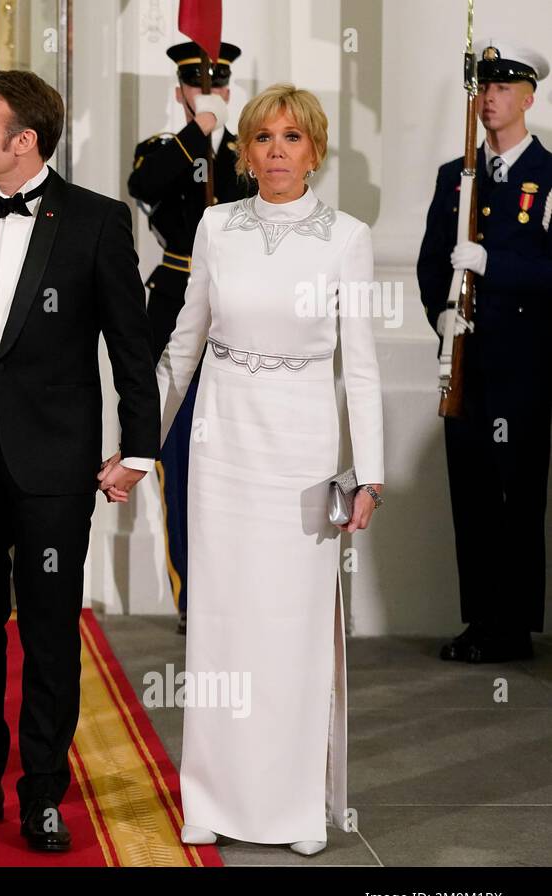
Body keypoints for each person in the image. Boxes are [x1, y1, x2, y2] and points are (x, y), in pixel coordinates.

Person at [0, 70, 160, 852]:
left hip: (57, 468)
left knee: (49, 632)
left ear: (25, 140)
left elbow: (130, 347)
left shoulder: (97, 221)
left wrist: (141, 449)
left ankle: (43, 793)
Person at [139, 84, 385, 855]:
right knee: (219, 626)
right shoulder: (216, 226)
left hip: (303, 452)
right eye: (263, 139)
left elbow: (364, 368)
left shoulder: (349, 236)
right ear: (244, 152)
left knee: (293, 629)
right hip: (223, 445)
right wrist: (140, 441)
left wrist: (368, 473)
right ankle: (210, 798)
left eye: (292, 138)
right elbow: (184, 344)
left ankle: (291, 811)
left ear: (315, 149)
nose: (277, 153)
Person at [417, 41, 552, 665]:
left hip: (522, 364)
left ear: (528, 97)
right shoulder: (456, 175)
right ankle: (480, 619)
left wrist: (495, 263)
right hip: (464, 361)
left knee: (516, 495)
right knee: (469, 491)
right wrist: (440, 313)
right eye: (485, 88)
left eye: (504, 88)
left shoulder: (547, 177)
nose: (490, 97)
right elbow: (428, 260)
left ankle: (514, 625)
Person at [128, 41, 246, 634]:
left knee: (236, 460)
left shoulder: (252, 155)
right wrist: (197, 132)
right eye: (198, 87)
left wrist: (220, 140)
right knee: (177, 457)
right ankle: (192, 593)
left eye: (218, 87)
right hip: (175, 307)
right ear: (180, 93)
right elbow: (146, 185)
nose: (211, 95)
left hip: (238, 314)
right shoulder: (163, 151)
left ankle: (236, 588)